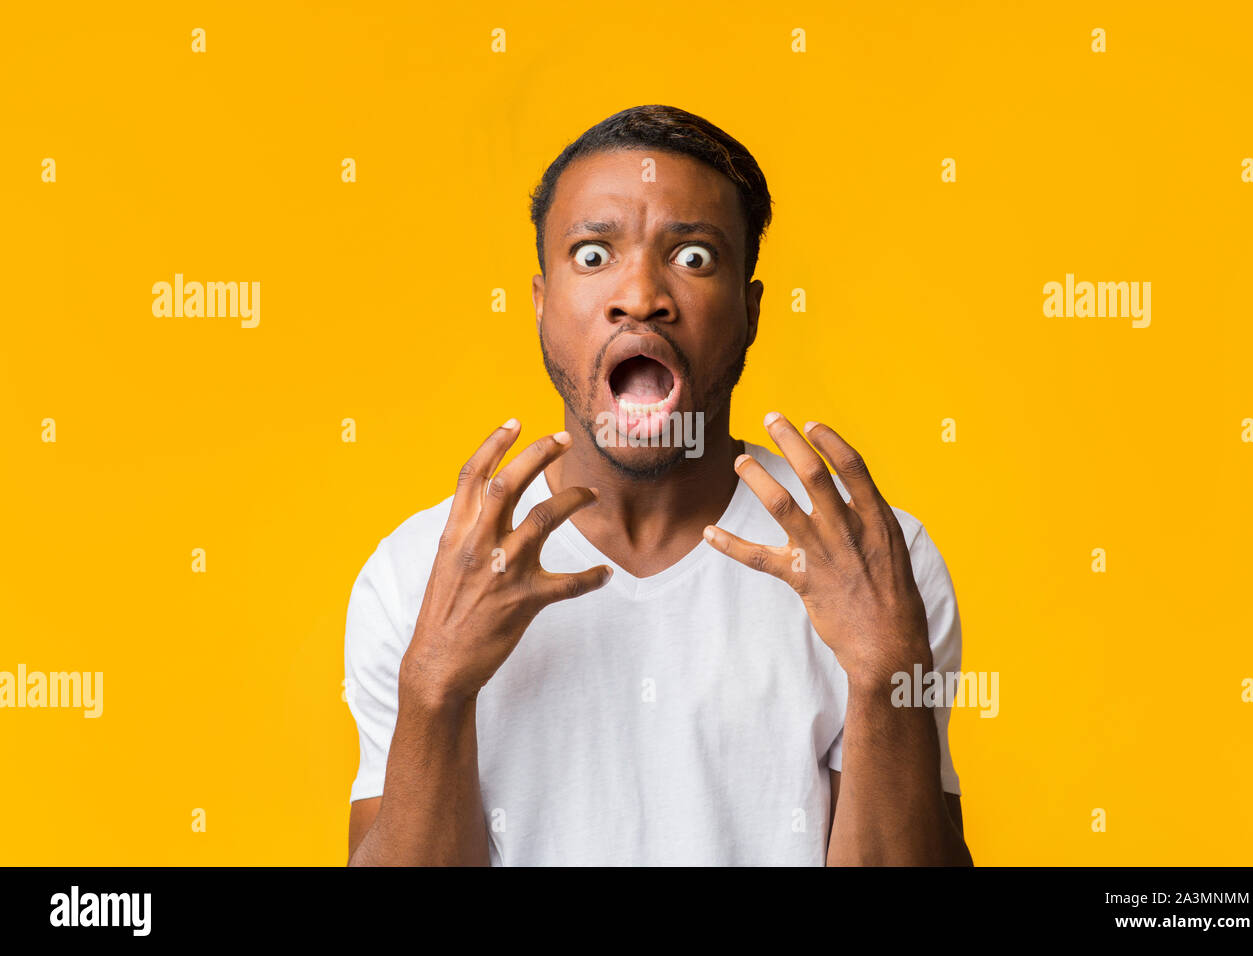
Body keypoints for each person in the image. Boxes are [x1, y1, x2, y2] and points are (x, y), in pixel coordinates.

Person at [344, 104, 972, 866]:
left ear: (750, 310)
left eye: (695, 257)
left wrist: (886, 668)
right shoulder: (416, 575)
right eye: (592, 255)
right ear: (541, 308)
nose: (640, 295)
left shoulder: (872, 561)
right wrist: (435, 686)